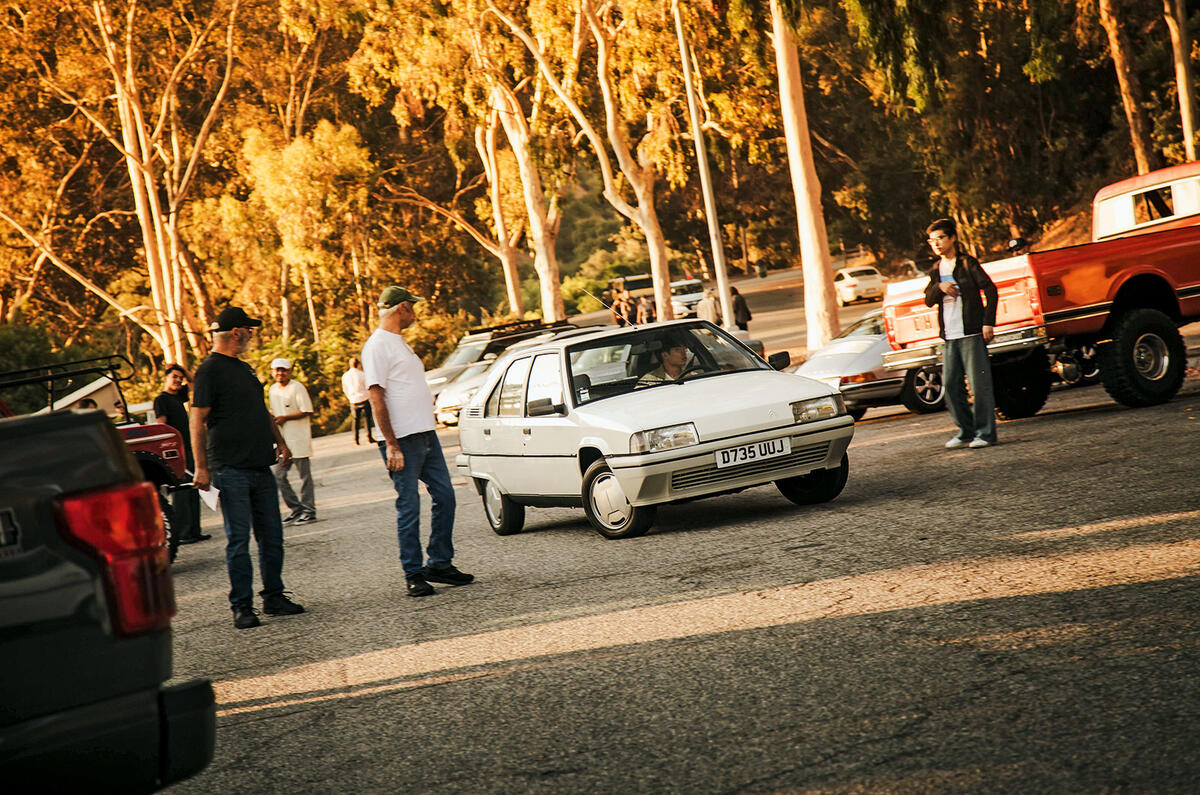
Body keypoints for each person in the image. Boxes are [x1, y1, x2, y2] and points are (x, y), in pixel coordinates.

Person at [191, 307, 305, 629]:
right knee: (238, 540)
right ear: (237, 332)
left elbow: (262, 411)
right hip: (229, 469)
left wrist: (281, 442)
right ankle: (241, 606)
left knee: (272, 537)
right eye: (249, 330)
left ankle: (274, 597)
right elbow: (197, 419)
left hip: (259, 467)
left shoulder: (246, 369)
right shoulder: (209, 371)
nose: (252, 335)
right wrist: (201, 467)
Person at [362, 286, 473, 598]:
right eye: (413, 307)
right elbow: (376, 397)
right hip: (402, 440)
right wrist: (391, 444)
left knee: (446, 496)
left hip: (425, 434)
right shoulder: (376, 346)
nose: (415, 314)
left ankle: (439, 563)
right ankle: (413, 573)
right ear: (402, 309)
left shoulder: (399, 343)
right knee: (409, 507)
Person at [924, 218, 999, 449]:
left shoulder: (967, 263)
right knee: (951, 385)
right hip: (949, 336)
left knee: (979, 386)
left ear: (952, 238)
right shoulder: (936, 269)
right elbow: (928, 300)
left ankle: (986, 434)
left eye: (940, 238)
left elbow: (991, 290)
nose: (936, 244)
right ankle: (966, 432)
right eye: (932, 240)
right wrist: (939, 287)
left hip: (971, 333)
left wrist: (987, 323)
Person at [153, 364, 210, 545]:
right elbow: (161, 426)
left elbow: (195, 383)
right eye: (174, 377)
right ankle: (183, 533)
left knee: (193, 488)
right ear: (166, 378)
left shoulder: (178, 397)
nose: (178, 380)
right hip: (176, 451)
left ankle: (195, 530)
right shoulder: (161, 399)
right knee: (181, 491)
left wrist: (182, 369)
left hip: (189, 447)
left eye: (180, 377)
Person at [268, 357, 316, 525]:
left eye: (284, 370)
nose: (280, 373)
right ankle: (296, 509)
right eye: (277, 370)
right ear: (272, 372)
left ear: (289, 372)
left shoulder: (297, 387)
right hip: (283, 442)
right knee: (278, 475)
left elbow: (306, 410)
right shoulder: (273, 389)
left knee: (304, 477)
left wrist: (285, 418)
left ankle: (309, 511)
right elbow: (273, 412)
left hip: (298, 438)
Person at [341, 356, 374, 445]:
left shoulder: (345, 376)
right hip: (364, 398)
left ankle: (356, 438)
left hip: (353, 399)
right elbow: (367, 387)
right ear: (358, 365)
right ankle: (369, 436)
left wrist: (349, 397)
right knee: (367, 419)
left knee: (355, 420)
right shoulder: (362, 374)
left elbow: (345, 388)